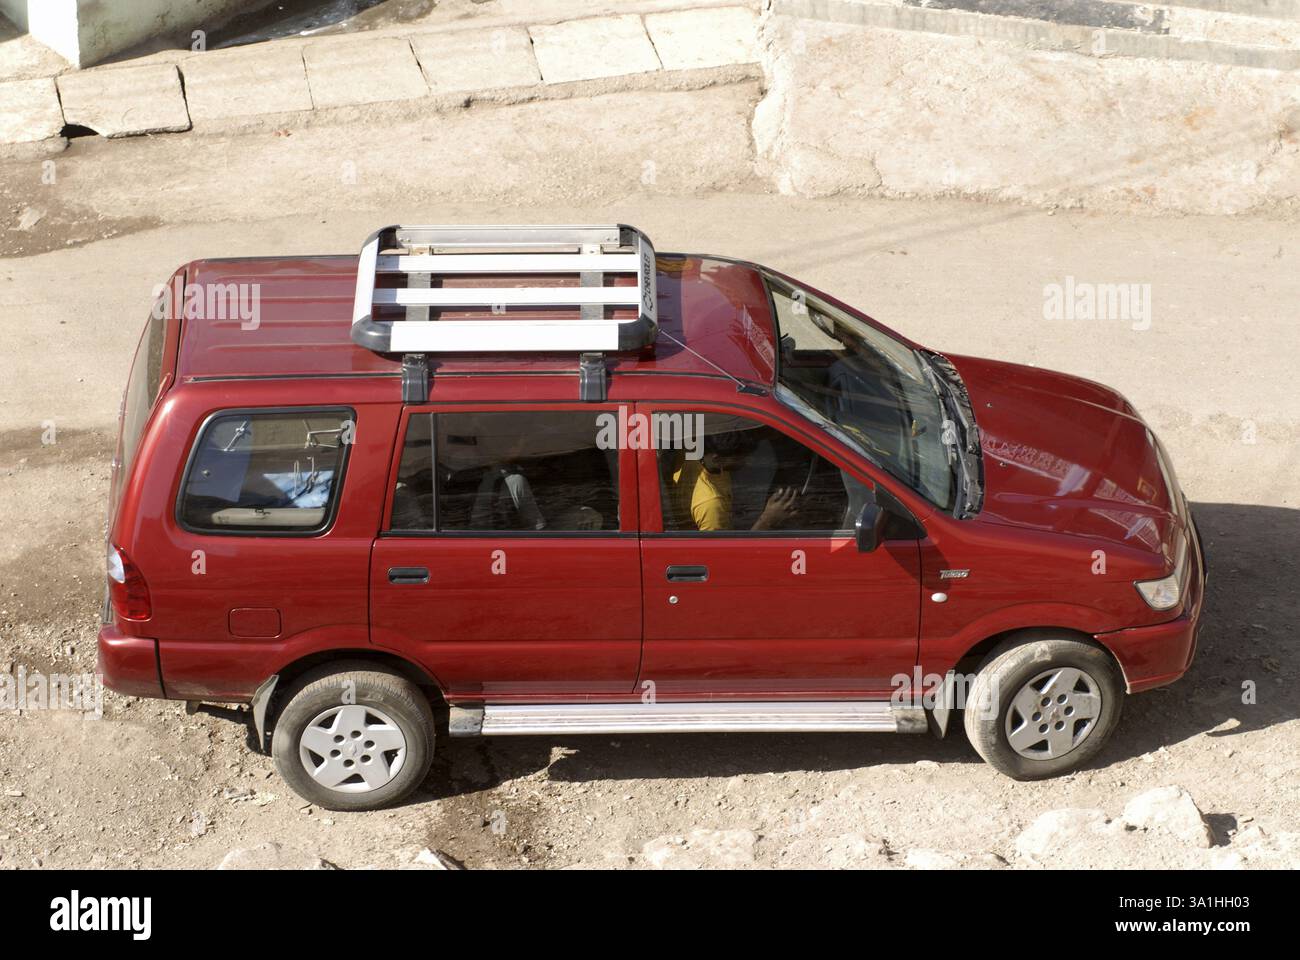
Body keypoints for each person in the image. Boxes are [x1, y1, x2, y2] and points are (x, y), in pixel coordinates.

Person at [670, 429, 798, 531]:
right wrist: (768, 519)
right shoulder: (712, 505)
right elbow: (723, 559)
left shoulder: (692, 452)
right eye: (739, 458)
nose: (747, 462)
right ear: (717, 459)